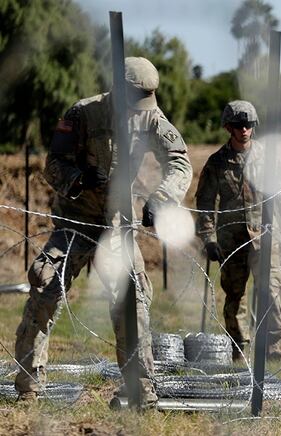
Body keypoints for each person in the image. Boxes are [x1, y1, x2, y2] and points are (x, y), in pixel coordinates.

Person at [14, 57, 192, 408]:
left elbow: (179, 160)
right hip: (76, 222)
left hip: (118, 226)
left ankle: (139, 392)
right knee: (44, 291)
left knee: (133, 304)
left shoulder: (151, 117)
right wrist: (78, 180)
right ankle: (28, 389)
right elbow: (53, 163)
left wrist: (162, 198)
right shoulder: (82, 113)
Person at [195, 100, 281, 363]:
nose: (244, 130)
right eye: (239, 125)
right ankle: (239, 347)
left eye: (249, 125)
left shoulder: (269, 158)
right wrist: (208, 238)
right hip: (231, 239)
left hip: (265, 236)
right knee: (235, 296)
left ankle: (272, 345)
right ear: (228, 127)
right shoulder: (217, 162)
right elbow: (205, 202)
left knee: (271, 292)